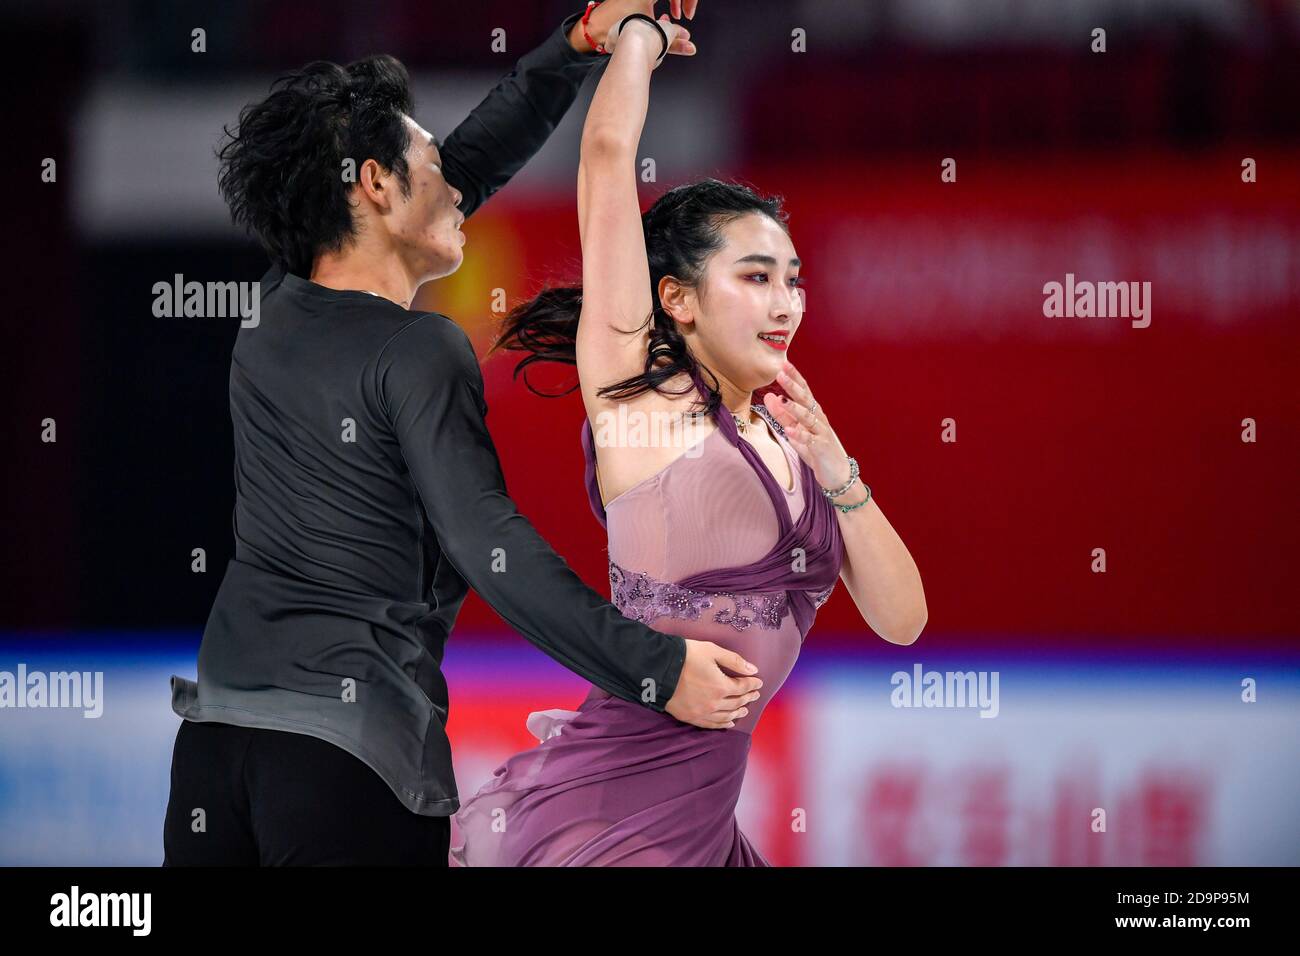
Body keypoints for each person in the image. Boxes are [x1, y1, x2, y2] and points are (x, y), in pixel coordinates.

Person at [162, 0, 756, 868]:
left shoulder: (272, 312)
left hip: (214, 752)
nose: (456, 184)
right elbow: (489, 545)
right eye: (431, 165)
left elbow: (450, 180)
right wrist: (656, 668)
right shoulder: (418, 347)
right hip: (347, 763)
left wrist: (578, 40)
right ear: (371, 183)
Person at [450, 12, 927, 866]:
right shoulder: (647, 404)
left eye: (793, 279)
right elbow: (604, 164)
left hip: (705, 834)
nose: (785, 303)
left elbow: (903, 621)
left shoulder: (797, 443)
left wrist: (837, 468)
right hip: (606, 825)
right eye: (754, 277)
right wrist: (636, 33)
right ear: (677, 300)